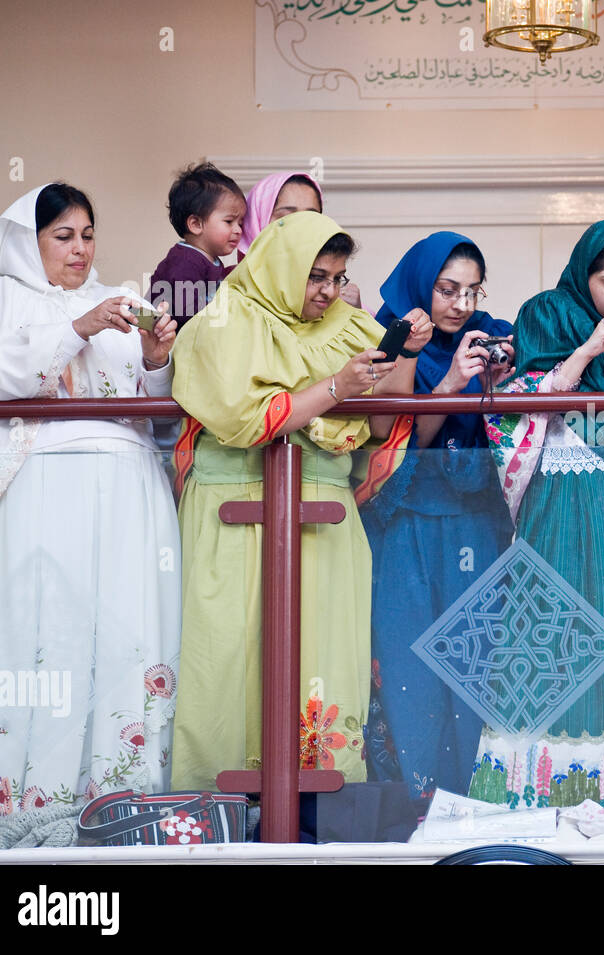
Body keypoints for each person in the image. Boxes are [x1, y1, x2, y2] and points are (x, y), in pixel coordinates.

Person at [168, 211, 425, 791]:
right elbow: (247, 417)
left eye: (336, 277)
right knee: (228, 655)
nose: (328, 292)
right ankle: (218, 815)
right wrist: (335, 389)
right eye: (316, 277)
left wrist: (403, 355)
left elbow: (383, 423)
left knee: (325, 656)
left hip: (324, 516)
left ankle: (316, 823)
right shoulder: (222, 323)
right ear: (282, 268)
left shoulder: (349, 326)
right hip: (233, 512)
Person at [0, 183, 180, 834]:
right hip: (50, 481)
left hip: (131, 484)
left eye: (87, 234)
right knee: (46, 639)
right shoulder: (3, 296)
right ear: (28, 242)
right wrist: (77, 326)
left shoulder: (119, 297)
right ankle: (29, 817)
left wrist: (155, 354)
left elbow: (160, 404)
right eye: (63, 235)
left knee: (125, 634)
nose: (80, 249)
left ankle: (122, 808)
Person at [466, 218, 604, 813]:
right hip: (561, 496)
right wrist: (592, 346)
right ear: (585, 274)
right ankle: (534, 804)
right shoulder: (546, 313)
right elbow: (525, 402)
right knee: (547, 629)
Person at [358, 232, 516, 801]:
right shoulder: (389, 337)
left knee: (477, 664)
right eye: (448, 290)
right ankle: (415, 806)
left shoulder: (491, 335)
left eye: (473, 292)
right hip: (404, 522)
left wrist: (500, 382)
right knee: (407, 665)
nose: (461, 305)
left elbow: (508, 436)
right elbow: (396, 445)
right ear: (422, 285)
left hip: (475, 522)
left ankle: (476, 801)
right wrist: (448, 384)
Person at [237, 171, 363, 308]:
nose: (301, 228)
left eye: (310, 218)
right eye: (287, 218)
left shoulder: (334, 295)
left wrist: (354, 312)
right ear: (256, 222)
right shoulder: (226, 293)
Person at [148, 162, 245, 326]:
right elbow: (186, 314)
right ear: (196, 224)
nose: (238, 230)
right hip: (164, 335)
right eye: (229, 221)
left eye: (240, 223)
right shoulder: (186, 261)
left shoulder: (207, 258)